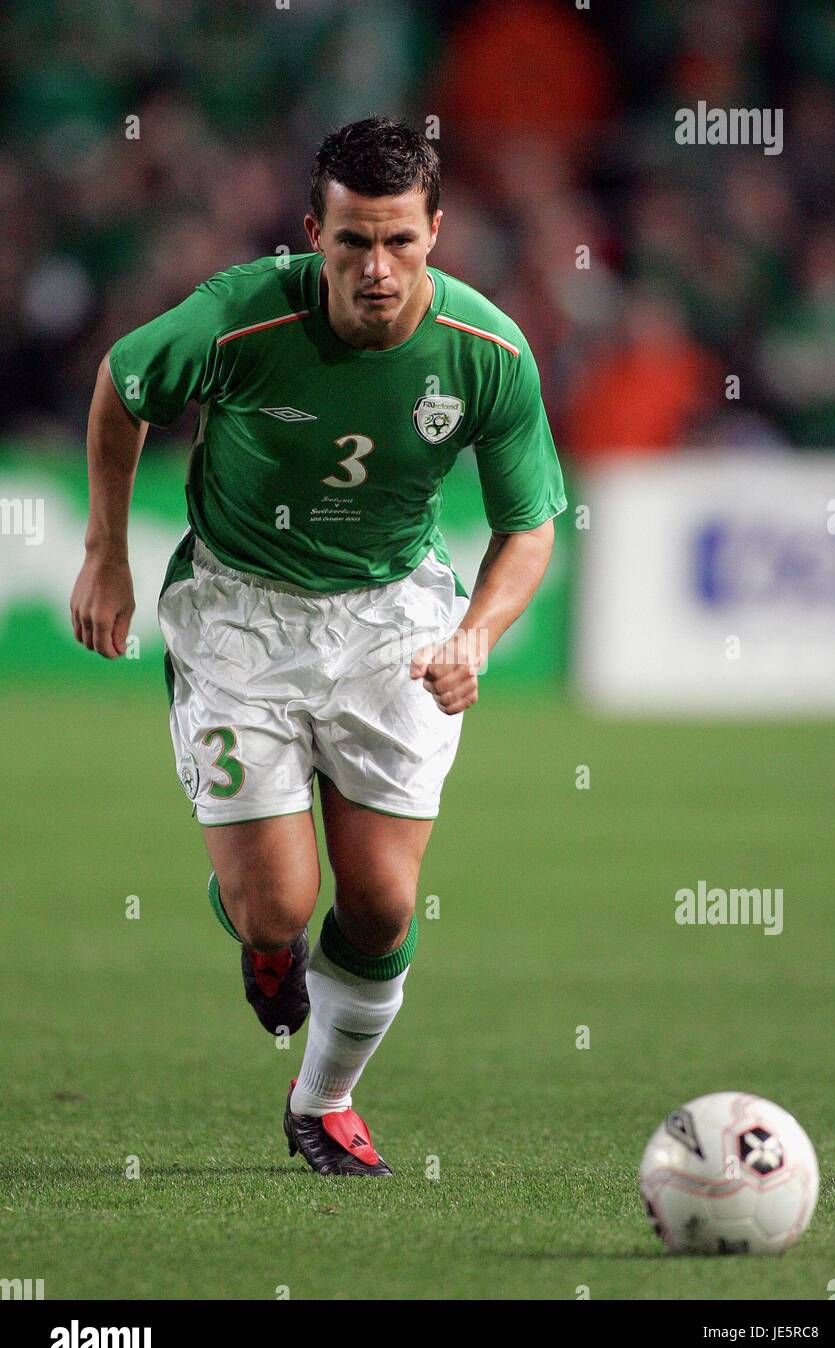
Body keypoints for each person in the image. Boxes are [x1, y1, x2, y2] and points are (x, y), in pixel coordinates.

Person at [70, 116, 566, 1176]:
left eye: (398, 241)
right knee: (278, 904)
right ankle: (263, 944)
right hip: (239, 616)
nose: (376, 269)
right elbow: (123, 385)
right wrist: (104, 551)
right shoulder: (239, 315)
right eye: (351, 243)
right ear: (313, 232)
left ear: (436, 230)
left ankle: (323, 1099)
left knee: (382, 900)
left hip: (390, 619)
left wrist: (474, 634)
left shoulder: (487, 353)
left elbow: (529, 527)